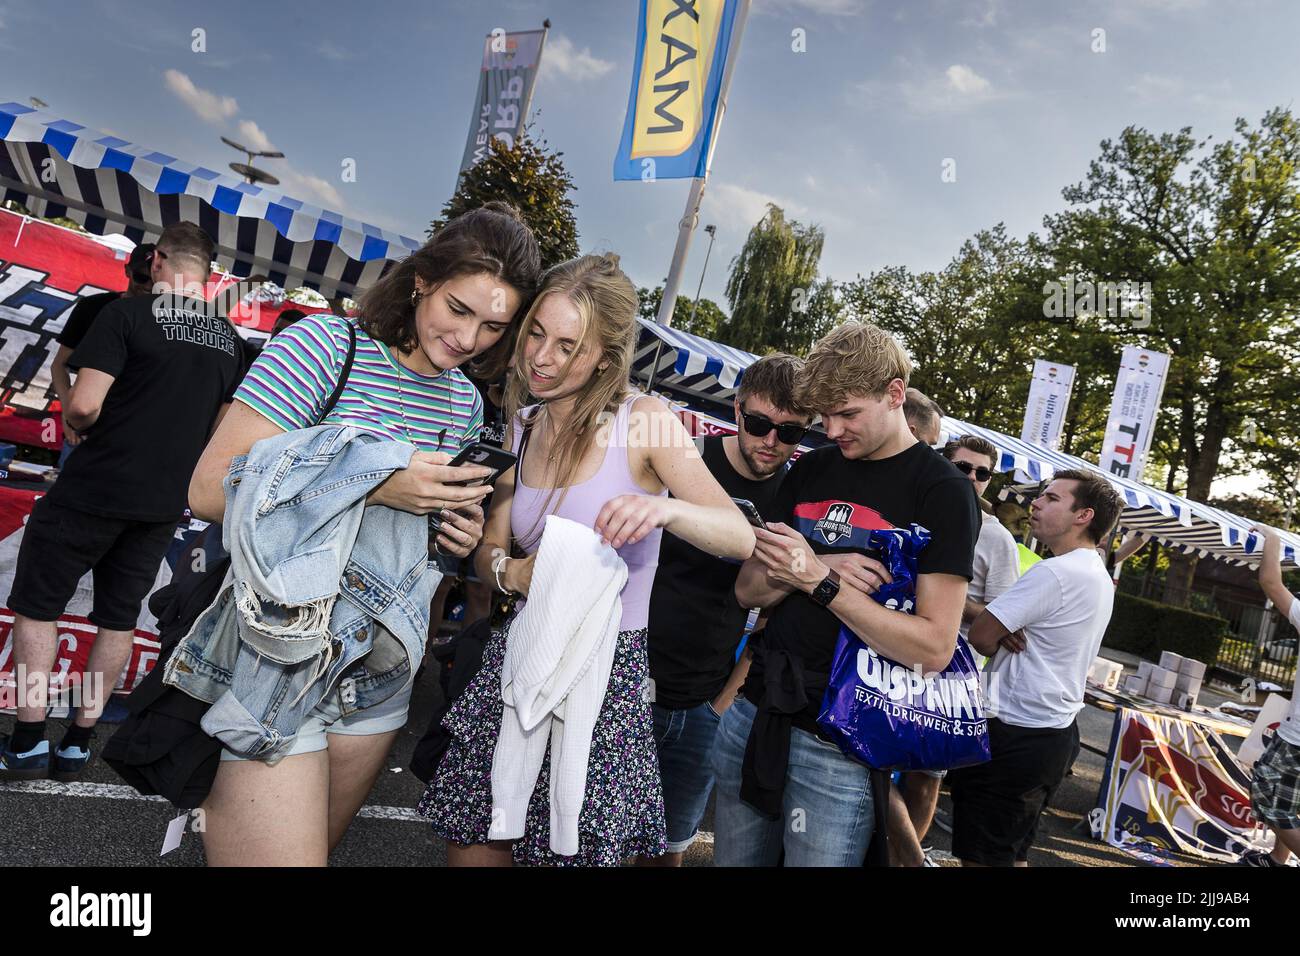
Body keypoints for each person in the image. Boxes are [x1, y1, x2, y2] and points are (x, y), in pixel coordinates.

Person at [184, 202, 542, 866]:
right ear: (421, 281)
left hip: (381, 676)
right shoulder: (325, 346)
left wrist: (455, 531)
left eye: (494, 325)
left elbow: (424, 539)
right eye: (459, 310)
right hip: (282, 658)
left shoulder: (464, 401)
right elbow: (209, 487)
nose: (470, 338)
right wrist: (374, 480)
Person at [418, 253, 755, 867]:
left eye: (568, 346)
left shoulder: (644, 422)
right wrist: (507, 571)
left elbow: (738, 536)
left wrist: (668, 512)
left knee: (566, 848)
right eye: (536, 335)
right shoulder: (522, 425)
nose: (542, 358)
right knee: (471, 844)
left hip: (604, 675)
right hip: (520, 657)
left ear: (605, 356)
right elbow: (492, 547)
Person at [720, 321, 980, 867]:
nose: (833, 429)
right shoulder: (811, 467)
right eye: (825, 416)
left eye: (848, 413)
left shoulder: (944, 492)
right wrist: (805, 570)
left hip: (841, 740)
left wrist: (818, 580)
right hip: (755, 714)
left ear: (894, 394)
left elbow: (933, 647)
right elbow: (747, 590)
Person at [1, 224, 242, 782]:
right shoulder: (230, 339)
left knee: (39, 607)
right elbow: (221, 430)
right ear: (208, 274)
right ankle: (79, 743)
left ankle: (30, 739)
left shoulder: (126, 314)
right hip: (162, 501)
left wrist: (92, 424)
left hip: (95, 486)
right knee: (116, 619)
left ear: (157, 261)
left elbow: (83, 406)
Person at [642, 353, 812, 866]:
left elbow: (771, 617)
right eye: (759, 423)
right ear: (737, 410)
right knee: (586, 838)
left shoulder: (795, 496)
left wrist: (721, 704)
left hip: (702, 702)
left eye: (789, 432)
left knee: (667, 850)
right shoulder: (684, 461)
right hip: (625, 684)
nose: (771, 441)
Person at [952, 468, 1123, 866]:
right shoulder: (1093, 570)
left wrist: (1000, 627)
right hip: (1048, 732)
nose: (1036, 503)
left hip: (1015, 731)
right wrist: (1004, 626)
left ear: (1084, 516)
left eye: (1051, 498)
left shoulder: (1056, 572)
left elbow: (980, 636)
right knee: (1010, 852)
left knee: (984, 857)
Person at [50, 243, 155, 466]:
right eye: (140, 277)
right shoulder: (93, 307)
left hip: (134, 434)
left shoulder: (164, 319)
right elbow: (59, 364)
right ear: (127, 271)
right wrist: (68, 411)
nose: (148, 286)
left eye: (154, 280)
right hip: (87, 429)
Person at [1240, 524, 1300, 867]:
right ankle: (1278, 860)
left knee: (1267, 797)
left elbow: (1271, 584)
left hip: (1297, 737)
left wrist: (1274, 540)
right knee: (1292, 801)